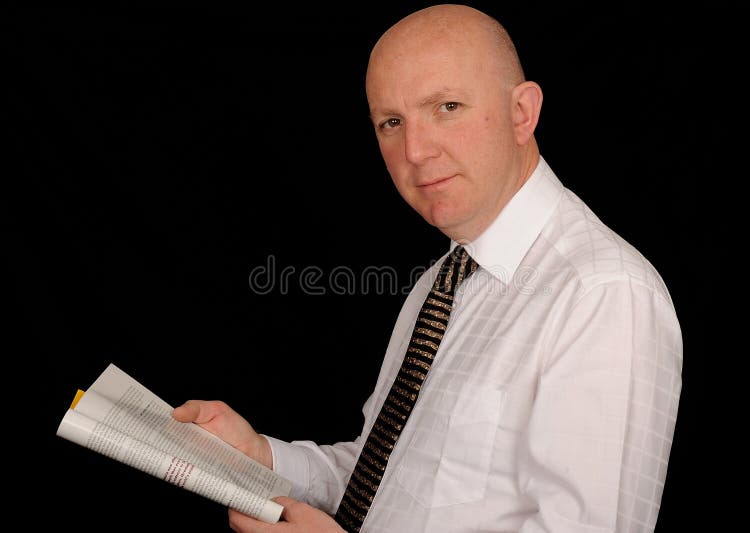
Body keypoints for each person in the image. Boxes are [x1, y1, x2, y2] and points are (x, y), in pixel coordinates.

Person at [173, 4, 682, 532]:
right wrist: (262, 457)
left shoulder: (603, 293)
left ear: (522, 113)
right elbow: (383, 479)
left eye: (447, 107)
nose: (414, 151)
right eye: (391, 123)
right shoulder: (443, 282)